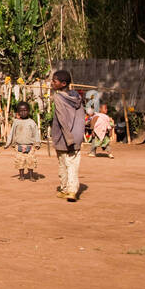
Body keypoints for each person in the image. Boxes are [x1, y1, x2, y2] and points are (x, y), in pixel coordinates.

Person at [50, 69, 85, 202]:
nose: (52, 83)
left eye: (54, 81)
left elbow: (62, 119)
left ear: (63, 83)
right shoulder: (77, 97)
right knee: (71, 165)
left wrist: (69, 139)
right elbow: (81, 118)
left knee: (64, 165)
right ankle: (67, 190)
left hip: (64, 138)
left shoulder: (58, 97)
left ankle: (69, 190)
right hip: (75, 137)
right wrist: (76, 137)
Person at [4, 101, 40, 179]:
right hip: (19, 146)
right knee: (20, 162)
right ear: (18, 112)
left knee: (30, 161)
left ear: (28, 111)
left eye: (25, 110)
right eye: (21, 111)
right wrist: (8, 143)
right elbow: (11, 133)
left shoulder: (31, 122)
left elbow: (36, 133)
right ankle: (21, 176)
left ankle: (31, 176)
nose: (23, 112)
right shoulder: (16, 122)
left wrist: (37, 143)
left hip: (30, 146)